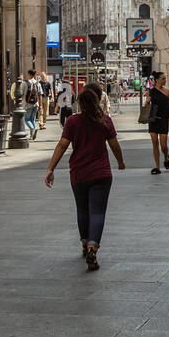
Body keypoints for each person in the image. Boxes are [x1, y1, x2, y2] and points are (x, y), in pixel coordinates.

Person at [45, 83, 125, 271]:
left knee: (82, 210)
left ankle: (84, 244)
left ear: (80, 103)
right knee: (97, 212)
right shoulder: (105, 120)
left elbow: (62, 145)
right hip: (102, 173)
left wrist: (50, 169)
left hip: (79, 173)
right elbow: (114, 145)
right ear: (97, 102)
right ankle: (93, 248)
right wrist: (120, 162)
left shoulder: (73, 121)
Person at [147, 71, 169, 175]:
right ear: (156, 80)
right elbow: (146, 106)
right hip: (153, 119)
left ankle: (166, 156)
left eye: (165, 78)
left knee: (163, 145)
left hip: (164, 119)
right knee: (155, 143)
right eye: (163, 78)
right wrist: (147, 101)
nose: (165, 80)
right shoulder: (150, 91)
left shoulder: (168, 91)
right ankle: (157, 166)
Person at [22, 69, 41, 141]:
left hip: (27, 104)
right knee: (32, 119)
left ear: (29, 74)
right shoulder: (37, 83)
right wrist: (40, 105)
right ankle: (32, 135)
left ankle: (33, 129)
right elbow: (40, 95)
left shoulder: (24, 83)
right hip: (36, 104)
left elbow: (21, 93)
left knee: (26, 119)